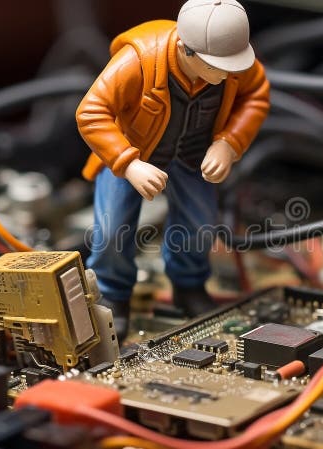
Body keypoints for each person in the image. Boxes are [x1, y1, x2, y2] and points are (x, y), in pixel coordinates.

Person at [76, 0, 270, 337]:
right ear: (186, 50)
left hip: (194, 156)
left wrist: (229, 143)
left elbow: (256, 95)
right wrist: (129, 162)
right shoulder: (138, 60)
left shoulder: (232, 64)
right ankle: (112, 294)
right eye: (218, 66)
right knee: (111, 229)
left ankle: (189, 287)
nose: (228, 73)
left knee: (200, 223)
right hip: (131, 152)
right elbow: (91, 112)